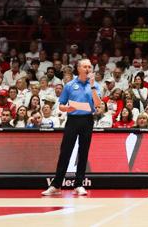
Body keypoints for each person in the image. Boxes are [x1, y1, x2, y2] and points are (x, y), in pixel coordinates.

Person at [43, 59, 103, 197]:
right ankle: (56, 185)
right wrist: (67, 108)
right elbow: (61, 105)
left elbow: (98, 104)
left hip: (87, 120)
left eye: (90, 67)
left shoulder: (95, 85)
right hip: (72, 120)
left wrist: (93, 86)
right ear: (78, 68)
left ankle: (79, 184)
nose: (88, 69)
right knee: (65, 152)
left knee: (83, 152)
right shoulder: (70, 85)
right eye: (85, 66)